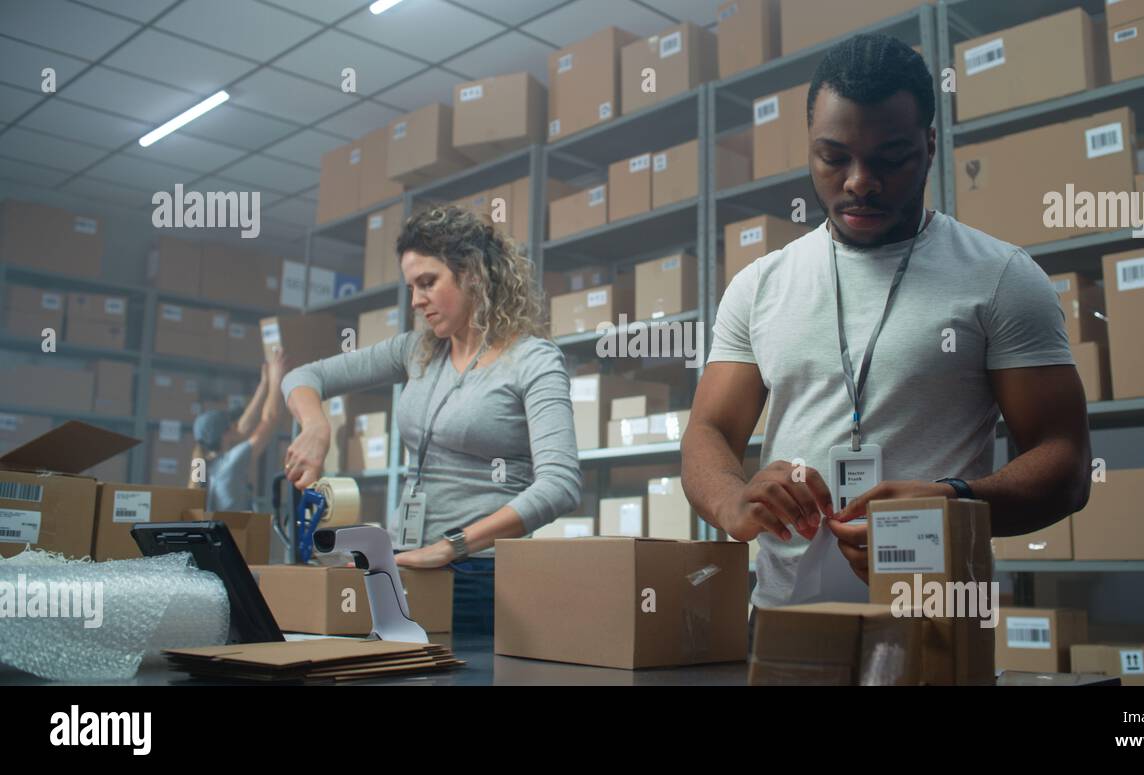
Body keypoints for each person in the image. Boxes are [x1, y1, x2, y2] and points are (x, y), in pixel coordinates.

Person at [681, 33, 1092, 615]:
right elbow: (709, 431)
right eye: (834, 156)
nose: (859, 181)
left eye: (888, 158)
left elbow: (1067, 464)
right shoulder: (760, 285)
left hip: (935, 626)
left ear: (928, 146)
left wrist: (952, 504)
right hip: (783, 628)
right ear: (810, 148)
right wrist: (733, 500)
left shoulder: (1001, 277)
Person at [279, 205, 582, 636]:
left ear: (473, 274)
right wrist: (316, 426)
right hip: (407, 565)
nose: (417, 300)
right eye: (411, 287)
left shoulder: (532, 361)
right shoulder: (418, 351)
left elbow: (561, 484)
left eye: (428, 283)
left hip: (480, 574)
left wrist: (450, 546)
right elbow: (304, 377)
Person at [191, 347, 286, 511]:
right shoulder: (232, 463)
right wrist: (278, 378)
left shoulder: (204, 466)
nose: (237, 426)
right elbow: (270, 419)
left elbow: (243, 427)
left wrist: (264, 385)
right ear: (225, 434)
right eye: (232, 425)